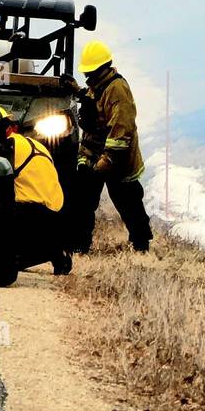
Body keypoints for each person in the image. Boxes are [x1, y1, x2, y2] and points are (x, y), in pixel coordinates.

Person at [72, 41, 152, 253]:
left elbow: (121, 129)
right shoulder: (96, 87)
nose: (88, 77)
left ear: (102, 69)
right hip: (95, 153)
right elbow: (93, 109)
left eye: (91, 72)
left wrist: (107, 160)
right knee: (84, 201)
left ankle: (141, 244)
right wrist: (78, 92)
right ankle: (79, 246)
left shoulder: (117, 89)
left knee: (128, 202)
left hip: (118, 159)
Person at [0, 106, 73, 275]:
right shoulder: (32, 144)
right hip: (55, 211)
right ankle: (56, 252)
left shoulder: (8, 147)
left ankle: (43, 252)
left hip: (29, 213)